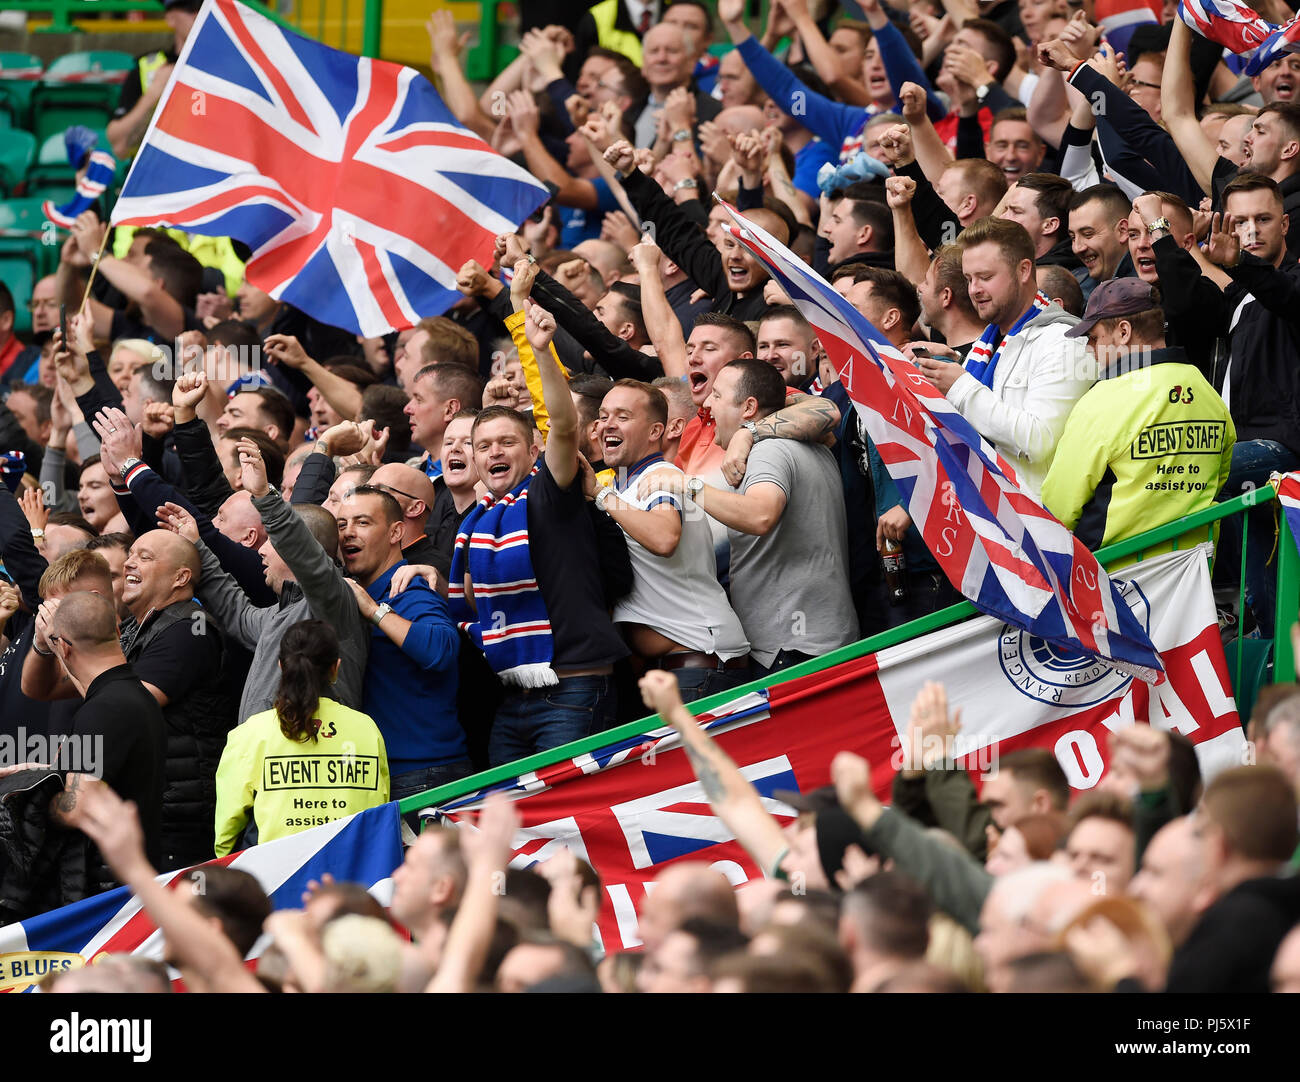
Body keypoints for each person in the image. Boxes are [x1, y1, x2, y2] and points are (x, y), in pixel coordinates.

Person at [451, 267, 629, 764]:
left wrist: (541, 349)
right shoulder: (477, 522)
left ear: (534, 451)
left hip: (574, 688)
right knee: (515, 832)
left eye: (508, 442)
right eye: (483, 447)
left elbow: (565, 424)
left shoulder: (550, 492)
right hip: (513, 696)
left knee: (570, 822)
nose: (494, 453)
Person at [641, 359, 858, 675]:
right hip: (817, 640)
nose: (708, 404)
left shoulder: (767, 451)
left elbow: (760, 515)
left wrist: (687, 485)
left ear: (749, 407)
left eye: (717, 395)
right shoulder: (808, 444)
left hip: (790, 649)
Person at [1041, 280, 1235, 555]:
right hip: (1195, 573)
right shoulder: (1207, 391)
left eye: (1094, 338)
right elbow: (1219, 476)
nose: (1089, 349)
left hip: (1118, 579)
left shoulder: (1102, 400)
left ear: (1123, 332)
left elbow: (1058, 504)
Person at [591, 379, 750, 700]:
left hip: (699, 665)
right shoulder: (626, 483)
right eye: (603, 415)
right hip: (680, 668)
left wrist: (600, 494)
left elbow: (664, 537)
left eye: (622, 416)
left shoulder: (659, 477)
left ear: (655, 431)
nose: (608, 423)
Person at [916, 216, 1092, 499]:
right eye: (969, 279)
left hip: (1036, 525)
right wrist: (957, 367)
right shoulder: (985, 345)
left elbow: (1039, 440)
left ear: (1023, 270)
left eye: (985, 277)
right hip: (987, 516)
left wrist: (960, 386)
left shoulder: (1064, 341)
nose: (974, 289)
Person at [213, 620, 389, 853]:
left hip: (275, 879)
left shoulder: (250, 733)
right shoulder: (367, 729)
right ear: (335, 668)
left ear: (281, 667)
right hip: (351, 876)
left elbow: (227, 831)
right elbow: (379, 811)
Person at [43, 590, 166, 879]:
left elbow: (76, 808)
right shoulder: (132, 694)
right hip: (133, 875)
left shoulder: (102, 711)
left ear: (63, 647)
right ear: (116, 629)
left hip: (107, 889)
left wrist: (31, 794)